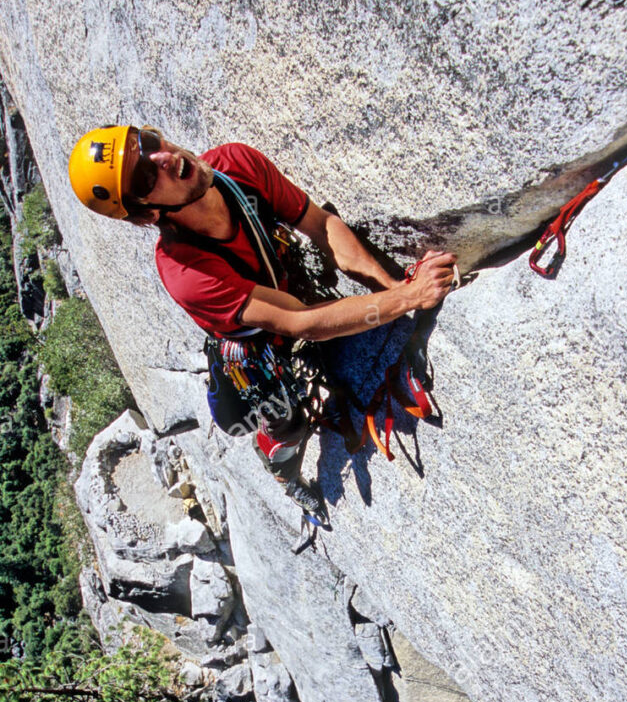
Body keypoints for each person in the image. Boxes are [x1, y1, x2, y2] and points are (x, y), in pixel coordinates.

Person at [68, 125, 457, 519]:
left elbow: (319, 225)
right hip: (261, 343)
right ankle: (283, 470)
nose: (163, 158)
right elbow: (300, 322)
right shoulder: (186, 271)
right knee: (288, 423)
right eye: (146, 176)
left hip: (284, 287)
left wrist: (390, 286)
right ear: (148, 214)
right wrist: (407, 297)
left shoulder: (236, 165)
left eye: (148, 143)